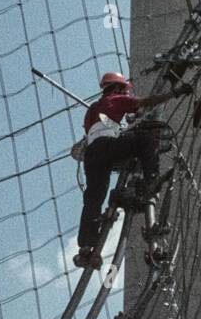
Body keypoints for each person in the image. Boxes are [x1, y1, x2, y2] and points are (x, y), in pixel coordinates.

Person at [74, 70, 192, 268]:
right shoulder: (116, 99)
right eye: (124, 90)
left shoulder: (93, 109)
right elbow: (146, 101)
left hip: (92, 156)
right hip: (107, 146)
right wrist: (175, 93)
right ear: (118, 88)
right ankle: (151, 181)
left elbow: (101, 127)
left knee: (93, 198)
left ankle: (87, 248)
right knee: (146, 141)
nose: (126, 94)